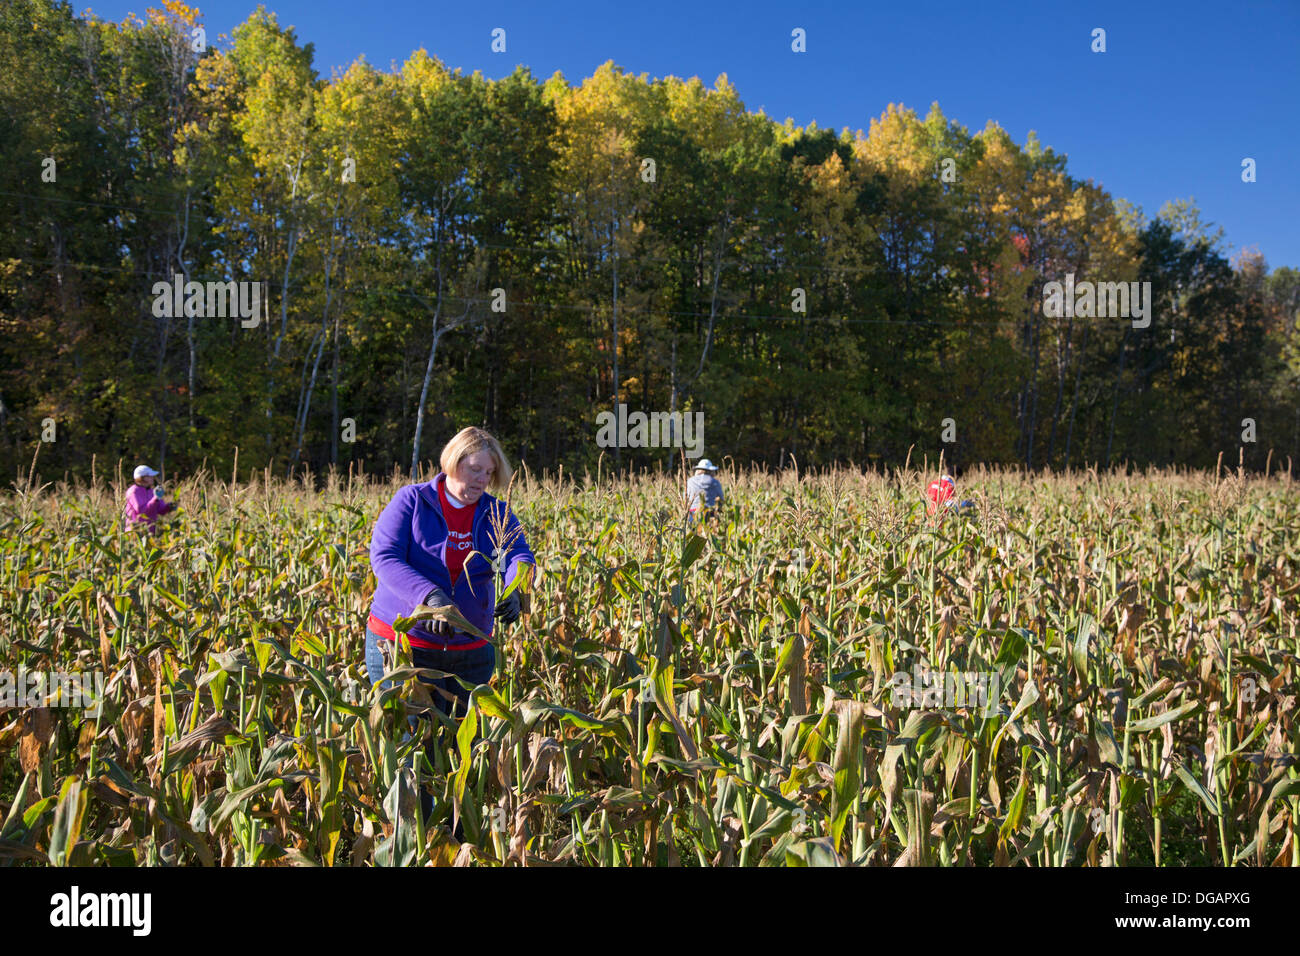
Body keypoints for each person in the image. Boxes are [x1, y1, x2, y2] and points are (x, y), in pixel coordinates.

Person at [365, 427, 534, 722]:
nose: (482, 480)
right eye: (475, 469)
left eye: (489, 473)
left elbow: (517, 554)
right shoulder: (412, 501)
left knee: (459, 751)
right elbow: (384, 557)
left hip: (471, 653)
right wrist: (429, 597)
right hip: (403, 649)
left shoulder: (495, 512)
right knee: (411, 748)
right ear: (453, 462)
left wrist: (515, 587)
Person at [124, 465, 175, 533]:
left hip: (150, 531)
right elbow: (142, 512)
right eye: (150, 476)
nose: (153, 478)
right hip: (136, 531)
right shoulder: (133, 491)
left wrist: (169, 507)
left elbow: (160, 510)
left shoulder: (152, 491)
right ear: (142, 478)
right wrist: (155, 499)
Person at [685, 458, 724, 526]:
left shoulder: (690, 481)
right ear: (711, 471)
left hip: (692, 514)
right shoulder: (715, 482)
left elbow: (685, 498)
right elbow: (721, 499)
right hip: (710, 513)